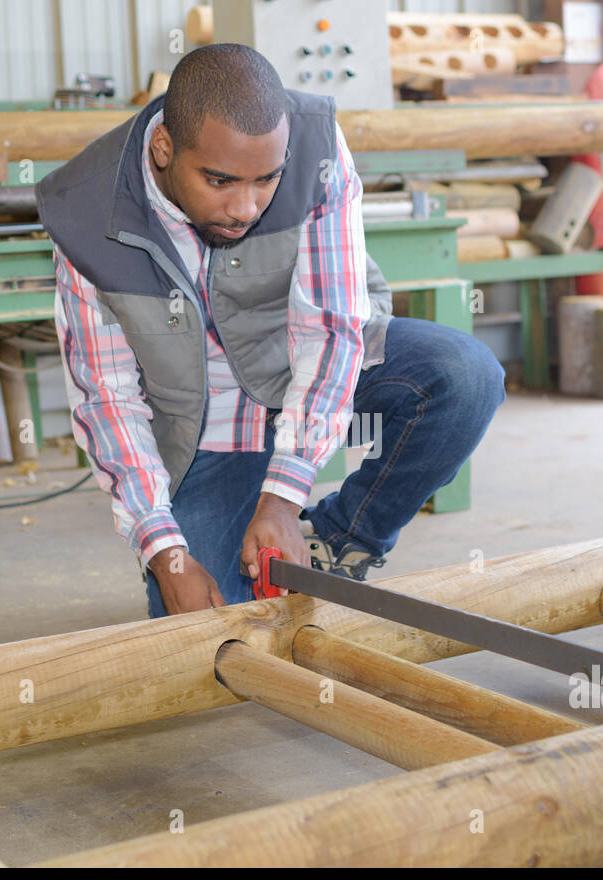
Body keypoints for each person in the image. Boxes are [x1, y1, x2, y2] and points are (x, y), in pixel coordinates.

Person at [37, 44, 504, 619]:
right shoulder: (84, 211)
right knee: (216, 638)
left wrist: (284, 496)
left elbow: (329, 330)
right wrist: (164, 548)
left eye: (266, 181)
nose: (245, 207)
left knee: (463, 375)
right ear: (163, 150)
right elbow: (108, 398)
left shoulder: (317, 148)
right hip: (200, 434)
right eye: (220, 181)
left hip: (302, 383)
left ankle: (337, 541)